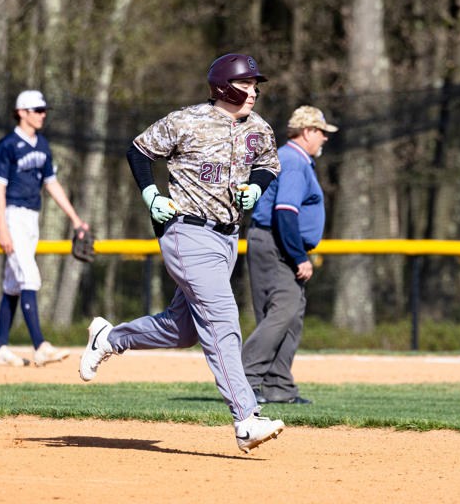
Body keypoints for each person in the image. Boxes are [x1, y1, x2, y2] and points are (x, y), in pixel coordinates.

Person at [78, 54, 284, 453]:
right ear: (224, 86)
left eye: (256, 84)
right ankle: (246, 419)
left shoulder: (259, 128)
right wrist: (150, 192)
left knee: (184, 329)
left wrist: (257, 186)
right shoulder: (185, 120)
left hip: (227, 240)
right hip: (186, 233)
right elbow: (138, 151)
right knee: (223, 319)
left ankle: (109, 337)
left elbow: (268, 165)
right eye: (247, 84)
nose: (254, 91)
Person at [242, 105, 337, 405]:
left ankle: (278, 386)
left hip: (274, 240)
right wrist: (299, 256)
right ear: (307, 132)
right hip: (276, 241)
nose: (324, 138)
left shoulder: (294, 159)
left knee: (291, 315)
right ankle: (243, 378)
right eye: (321, 132)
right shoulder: (294, 162)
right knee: (283, 310)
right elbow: (285, 212)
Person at [0, 90, 87, 367]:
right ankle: (40, 346)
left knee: (12, 284)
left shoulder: (42, 144)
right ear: (21, 112)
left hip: (32, 217)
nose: (42, 114)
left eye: (44, 110)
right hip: (13, 215)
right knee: (30, 277)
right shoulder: (6, 146)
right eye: (37, 110)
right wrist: (2, 229)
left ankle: (0, 349)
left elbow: (51, 184)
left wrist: (75, 219)